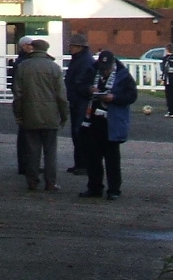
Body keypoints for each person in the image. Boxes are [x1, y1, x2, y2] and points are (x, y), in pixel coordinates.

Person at [80, 50, 137, 200]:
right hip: (93, 120)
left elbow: (132, 96)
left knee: (112, 158)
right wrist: (88, 89)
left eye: (107, 68)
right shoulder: (92, 71)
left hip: (112, 121)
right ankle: (94, 187)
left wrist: (115, 98)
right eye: (102, 69)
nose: (104, 71)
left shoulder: (123, 75)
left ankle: (114, 189)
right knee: (93, 156)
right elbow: (79, 86)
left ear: (113, 64)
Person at [13, 38, 68, 191]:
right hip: (51, 114)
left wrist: (18, 115)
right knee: (50, 151)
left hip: (30, 113)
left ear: (32, 48)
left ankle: (32, 180)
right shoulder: (54, 68)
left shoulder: (23, 67)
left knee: (32, 149)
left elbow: (18, 95)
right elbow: (61, 96)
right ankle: (50, 182)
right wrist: (64, 115)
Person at [64, 34, 96, 175]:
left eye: (72, 45)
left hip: (81, 101)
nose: (70, 48)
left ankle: (83, 164)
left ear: (79, 47)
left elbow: (82, 82)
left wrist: (75, 90)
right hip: (77, 100)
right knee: (78, 133)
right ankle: (80, 163)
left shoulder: (83, 61)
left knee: (81, 133)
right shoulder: (81, 59)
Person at [9, 36, 35, 175]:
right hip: (26, 101)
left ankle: (25, 163)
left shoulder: (20, 62)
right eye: (30, 44)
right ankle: (26, 164)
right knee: (26, 134)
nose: (32, 47)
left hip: (23, 100)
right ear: (24, 46)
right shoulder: (24, 62)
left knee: (24, 133)